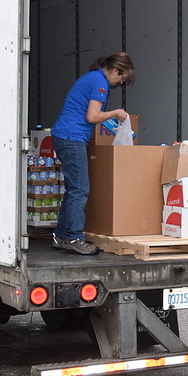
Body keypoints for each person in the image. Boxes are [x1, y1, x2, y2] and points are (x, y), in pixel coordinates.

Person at [51, 52, 135, 255]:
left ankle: (62, 236)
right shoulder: (100, 83)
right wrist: (115, 113)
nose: (120, 83)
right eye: (121, 78)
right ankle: (73, 237)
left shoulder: (93, 78)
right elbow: (92, 116)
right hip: (72, 137)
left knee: (74, 189)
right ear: (114, 70)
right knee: (80, 189)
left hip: (65, 136)